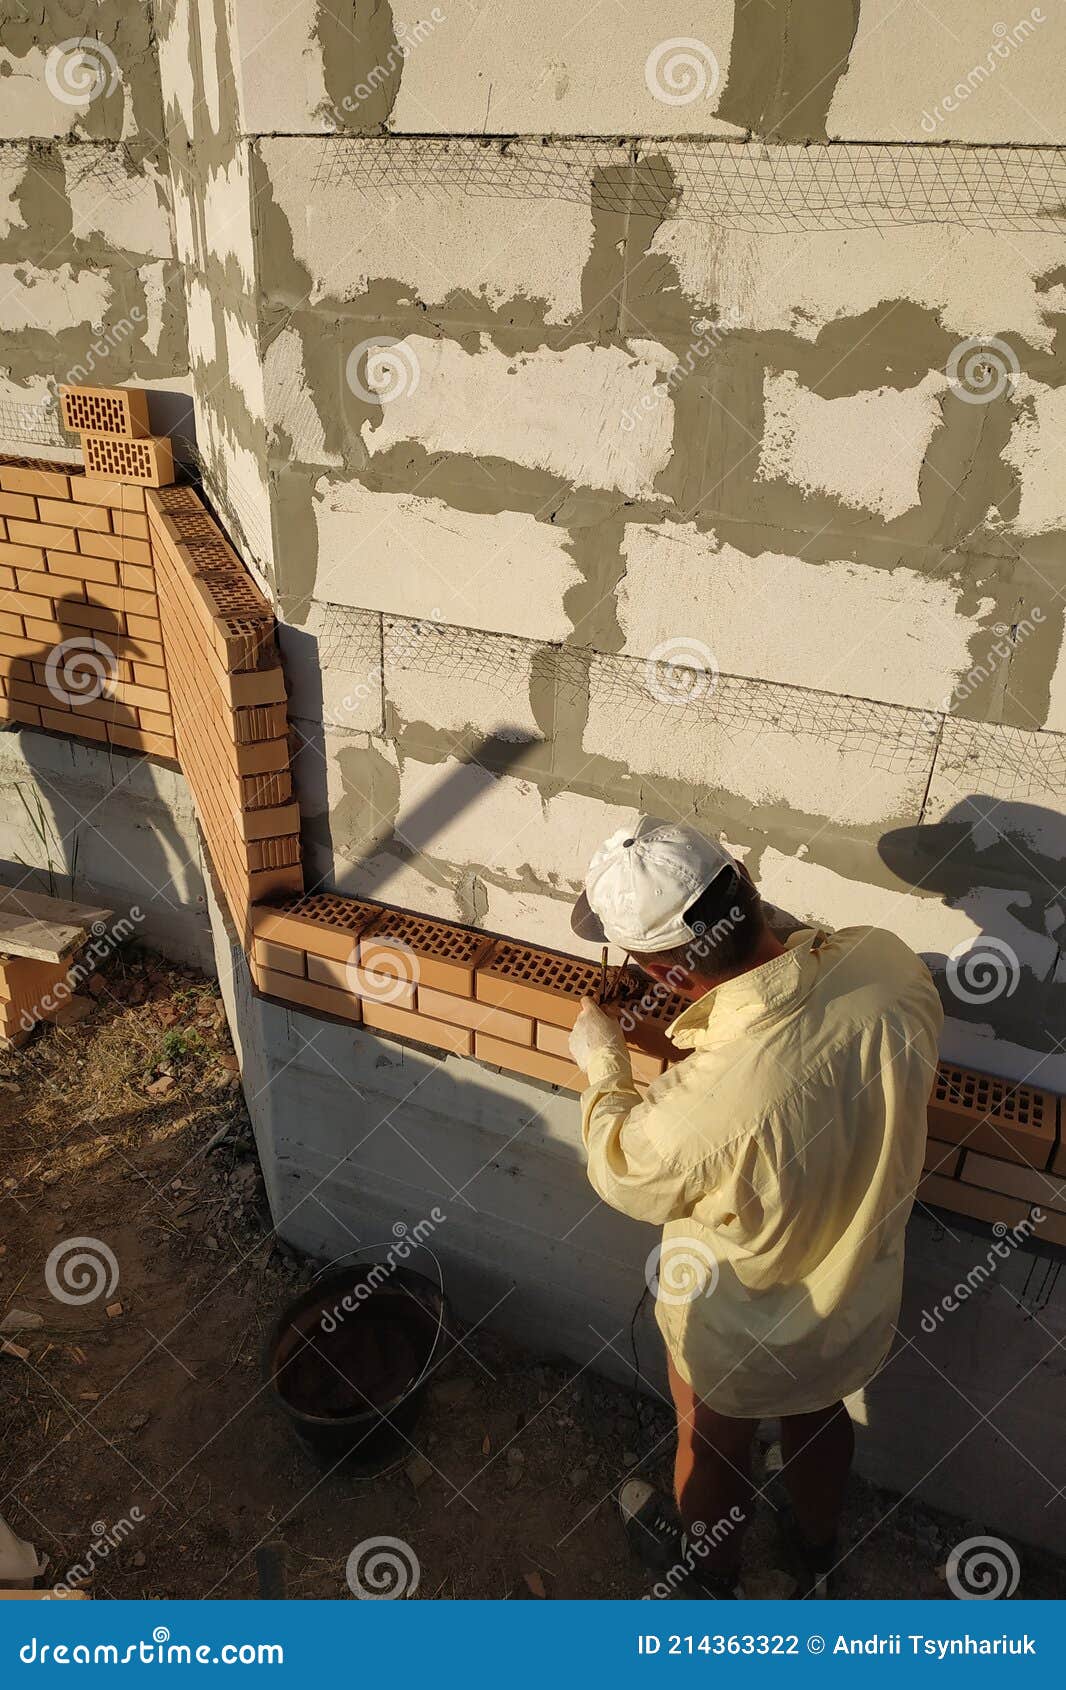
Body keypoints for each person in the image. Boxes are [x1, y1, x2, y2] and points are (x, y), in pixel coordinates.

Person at [568, 818, 943, 1597]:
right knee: (818, 1417)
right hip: (852, 1305)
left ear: (669, 977)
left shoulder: (690, 1121)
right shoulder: (888, 963)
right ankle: (813, 1554)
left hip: (735, 1329)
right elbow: (797, 1006)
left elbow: (623, 1166)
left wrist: (603, 1055)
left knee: (712, 1439)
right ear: (744, 884)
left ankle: (712, 1579)